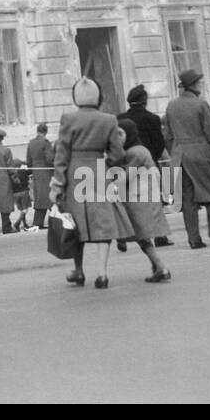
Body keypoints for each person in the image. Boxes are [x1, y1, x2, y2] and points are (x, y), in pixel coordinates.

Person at [50, 78, 134, 288]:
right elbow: (117, 154)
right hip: (98, 172)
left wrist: (57, 184)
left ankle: (78, 271)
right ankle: (102, 273)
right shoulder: (109, 120)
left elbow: (61, 154)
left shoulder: (68, 119)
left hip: (75, 174)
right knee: (102, 222)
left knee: (75, 224)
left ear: (76, 97)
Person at [162, 69, 210, 248]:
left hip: (179, 155)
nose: (201, 85)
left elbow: (167, 135)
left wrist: (176, 150)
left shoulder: (171, 105)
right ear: (194, 85)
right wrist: (209, 150)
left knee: (188, 200)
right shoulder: (201, 104)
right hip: (200, 152)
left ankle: (194, 239)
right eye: (199, 82)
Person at [116, 118, 171, 282]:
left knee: (142, 236)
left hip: (139, 198)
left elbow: (127, 176)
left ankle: (161, 268)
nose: (118, 138)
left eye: (120, 134)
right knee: (144, 235)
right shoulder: (140, 149)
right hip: (148, 195)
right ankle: (156, 268)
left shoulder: (134, 152)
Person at [119, 85, 166, 161]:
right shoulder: (153, 119)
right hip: (149, 162)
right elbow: (160, 145)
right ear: (145, 101)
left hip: (126, 163)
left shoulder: (120, 118)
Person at [25, 122, 54, 229]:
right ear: (46, 132)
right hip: (46, 173)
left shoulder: (31, 143)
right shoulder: (45, 143)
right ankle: (58, 220)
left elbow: (28, 161)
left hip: (36, 173)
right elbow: (50, 159)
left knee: (40, 199)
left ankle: (38, 222)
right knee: (49, 197)